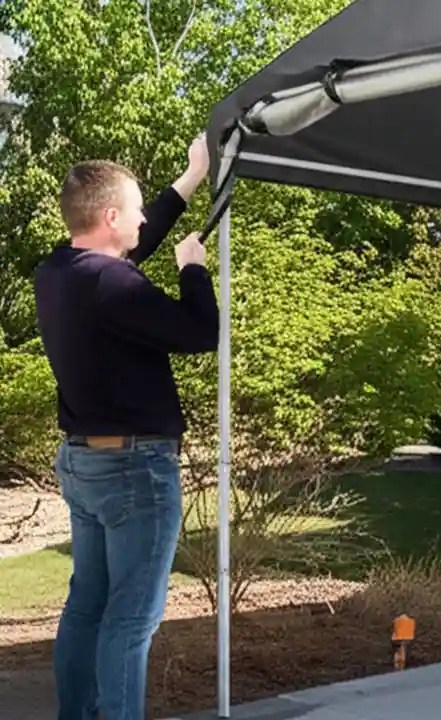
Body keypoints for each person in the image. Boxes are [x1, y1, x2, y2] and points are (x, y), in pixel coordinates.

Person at [33, 135, 219, 720]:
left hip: (86, 464)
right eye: (135, 209)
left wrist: (190, 179)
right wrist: (194, 272)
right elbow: (198, 334)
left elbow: (135, 248)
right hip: (134, 472)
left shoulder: (60, 271)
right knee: (131, 620)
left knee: (88, 605)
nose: (144, 217)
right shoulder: (112, 285)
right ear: (110, 217)